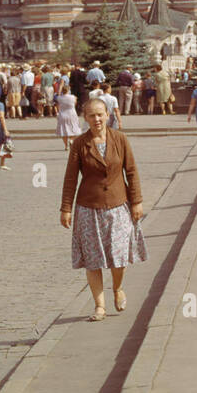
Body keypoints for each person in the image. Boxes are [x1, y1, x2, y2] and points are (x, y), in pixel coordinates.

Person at [61, 97, 146, 321]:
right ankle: (99, 306)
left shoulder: (120, 139)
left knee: (119, 257)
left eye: (100, 114)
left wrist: (136, 201)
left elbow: (132, 171)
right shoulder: (79, 144)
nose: (96, 119)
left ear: (107, 115)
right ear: (85, 118)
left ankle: (117, 288)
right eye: (91, 115)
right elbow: (70, 178)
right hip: (88, 207)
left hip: (118, 205)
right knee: (93, 259)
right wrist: (66, 208)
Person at [55, 81, 83, 150]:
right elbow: (75, 104)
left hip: (62, 114)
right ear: (68, 90)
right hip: (72, 113)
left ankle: (65, 146)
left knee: (63, 130)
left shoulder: (59, 98)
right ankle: (71, 139)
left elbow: (57, 105)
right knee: (73, 128)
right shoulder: (73, 97)